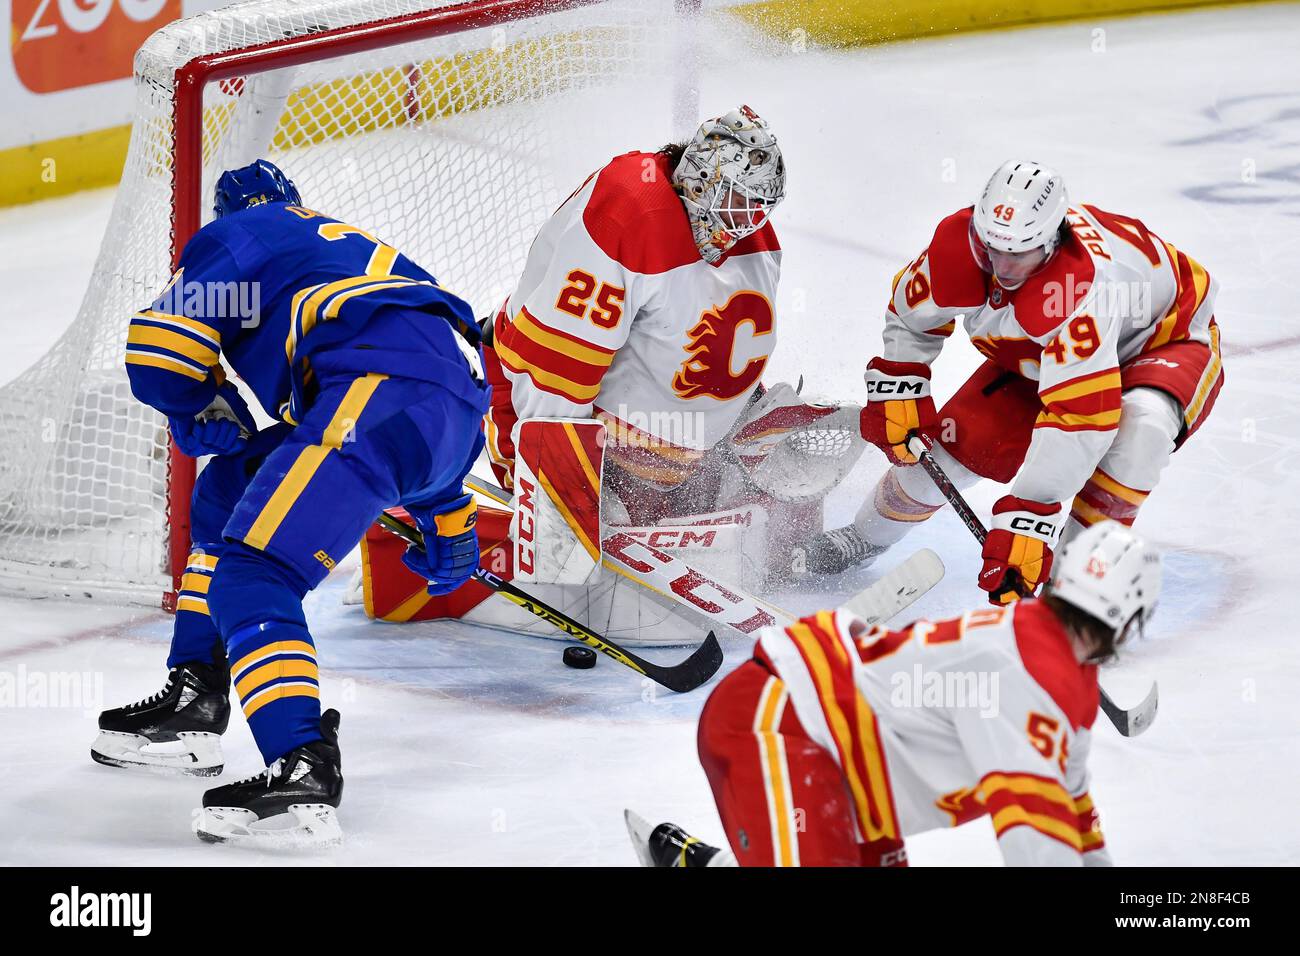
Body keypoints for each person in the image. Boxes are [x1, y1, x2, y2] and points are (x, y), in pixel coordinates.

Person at [91, 159, 490, 847]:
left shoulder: (242, 233)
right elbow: (433, 384)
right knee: (228, 490)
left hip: (371, 398)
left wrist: (197, 405)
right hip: (452, 421)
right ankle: (198, 693)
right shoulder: (344, 246)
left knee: (254, 575)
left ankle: (301, 765)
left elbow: (157, 349)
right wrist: (447, 522)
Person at [805, 160, 1222, 606]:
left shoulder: (1078, 291)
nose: (1000, 265)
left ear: (1052, 239)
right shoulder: (962, 245)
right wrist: (901, 382)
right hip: (1047, 357)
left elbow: (1080, 420)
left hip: (1162, 342)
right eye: (992, 248)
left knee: (1139, 437)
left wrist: (1029, 516)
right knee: (949, 455)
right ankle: (867, 537)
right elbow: (911, 319)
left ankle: (1070, 596)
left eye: (1017, 252)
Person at [630, 520, 1158, 867]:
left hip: (843, 769)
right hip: (779, 726)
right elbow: (1036, 835)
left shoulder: (1062, 676)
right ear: (1131, 622)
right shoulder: (1021, 671)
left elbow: (1075, 813)